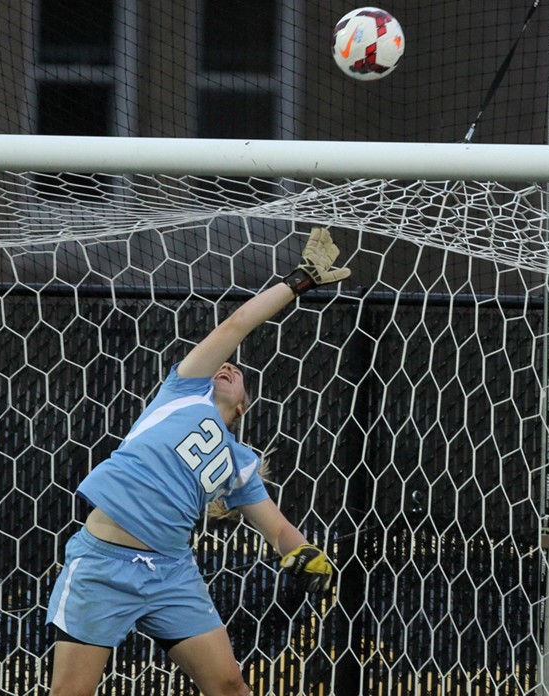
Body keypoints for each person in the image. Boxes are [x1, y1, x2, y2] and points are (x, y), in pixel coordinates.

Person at [46, 227, 351, 696]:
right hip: (103, 566)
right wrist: (299, 281)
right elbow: (236, 326)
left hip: (171, 572)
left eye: (237, 373)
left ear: (243, 406)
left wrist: (307, 555)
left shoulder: (239, 462)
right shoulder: (183, 390)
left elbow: (280, 532)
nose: (227, 367)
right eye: (222, 366)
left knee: (229, 685)